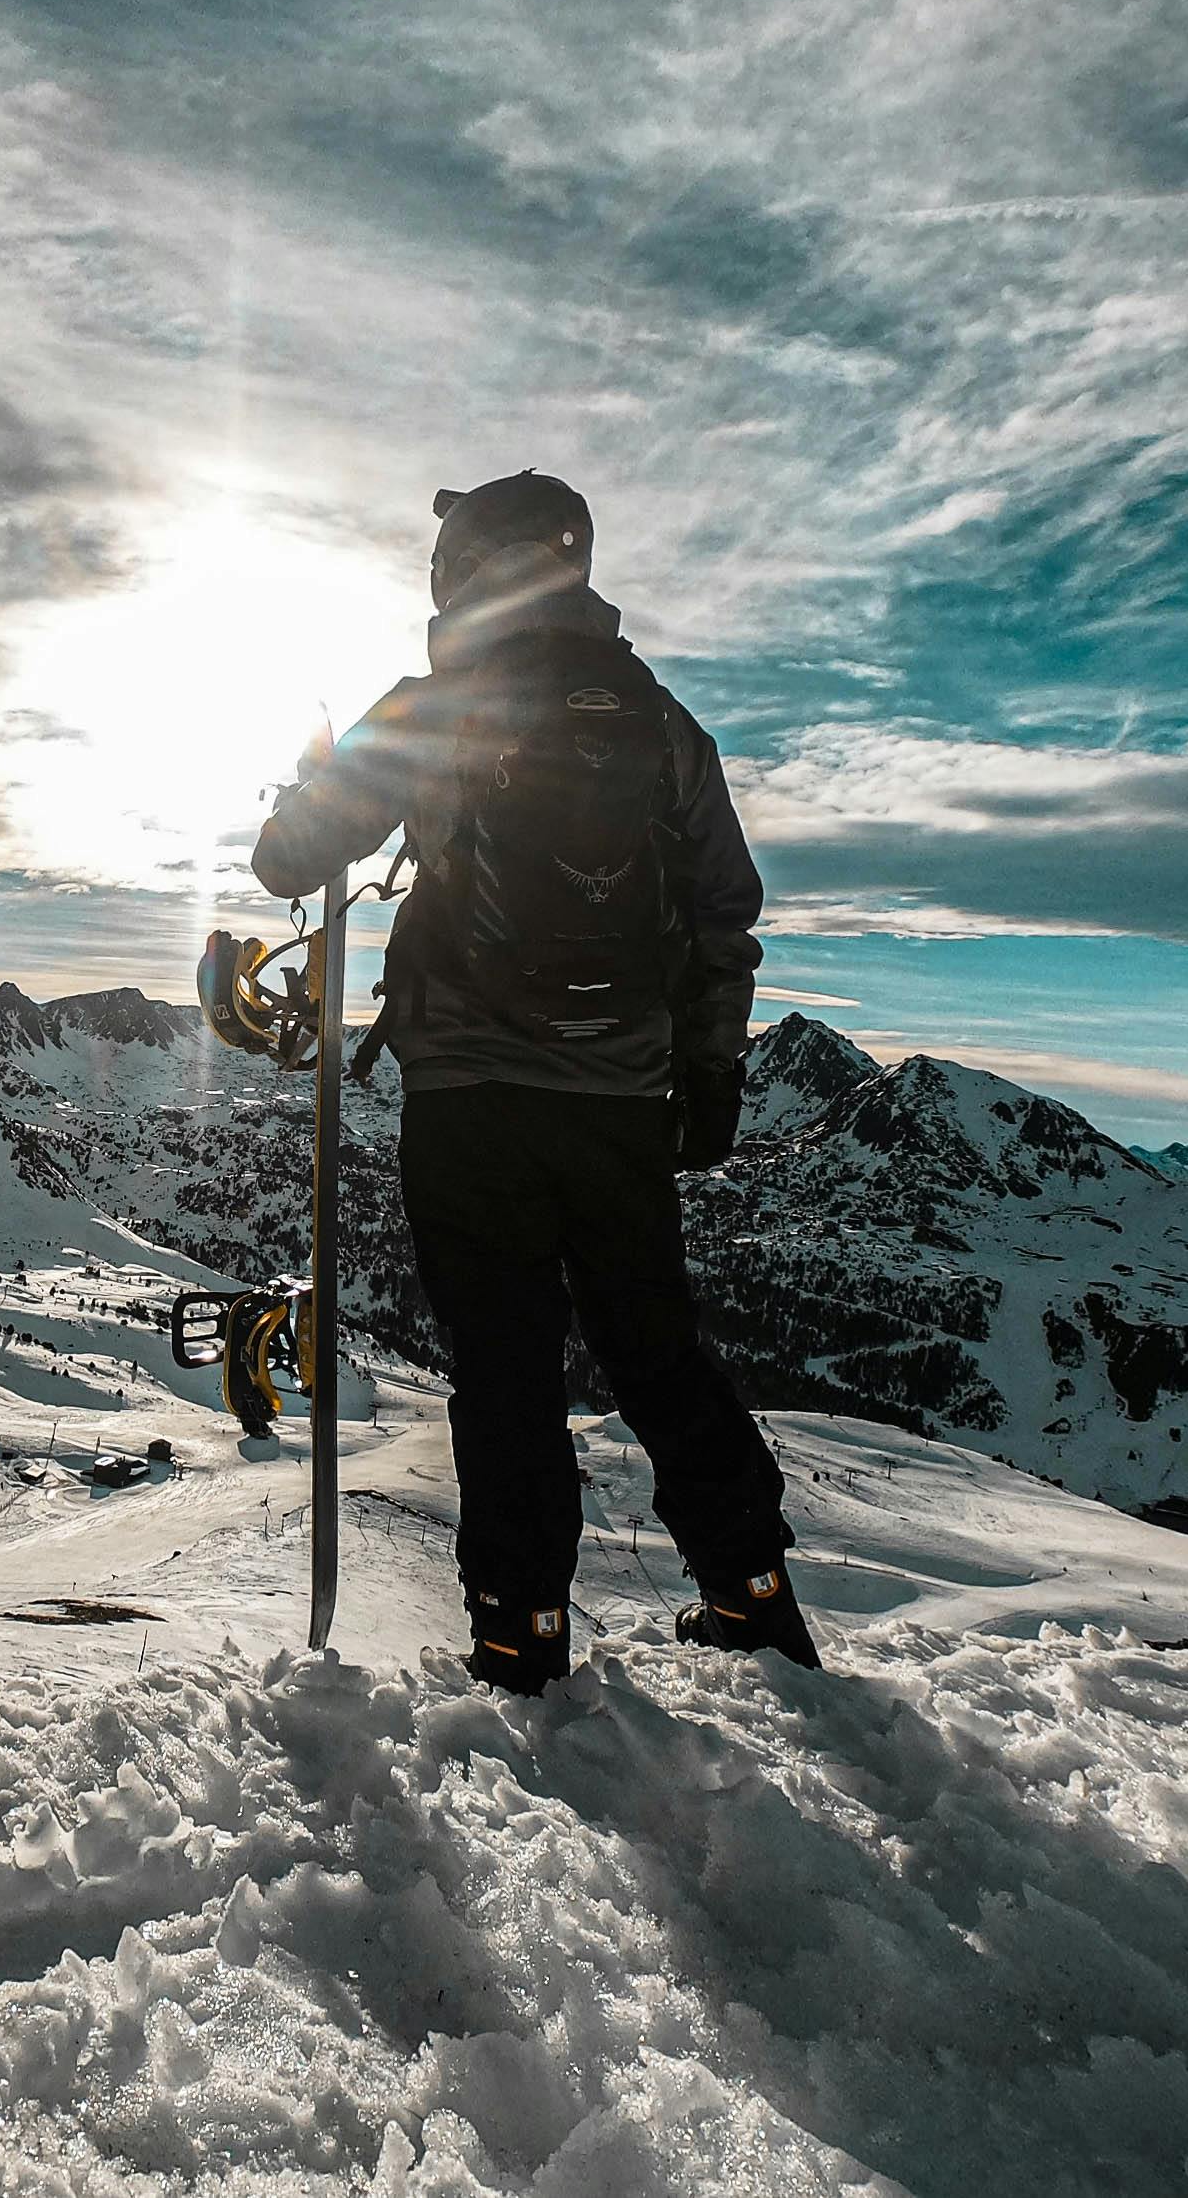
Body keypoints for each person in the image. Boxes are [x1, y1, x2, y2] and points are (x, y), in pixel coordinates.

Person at [250, 468, 815, 1694]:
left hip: (469, 1095)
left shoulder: (441, 703)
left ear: (461, 571)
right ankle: (753, 1595)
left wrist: (316, 783)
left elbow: (285, 857)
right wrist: (708, 1069)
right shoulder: (658, 720)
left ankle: (521, 1632)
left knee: (504, 1367)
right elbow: (726, 907)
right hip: (620, 1098)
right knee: (658, 1349)